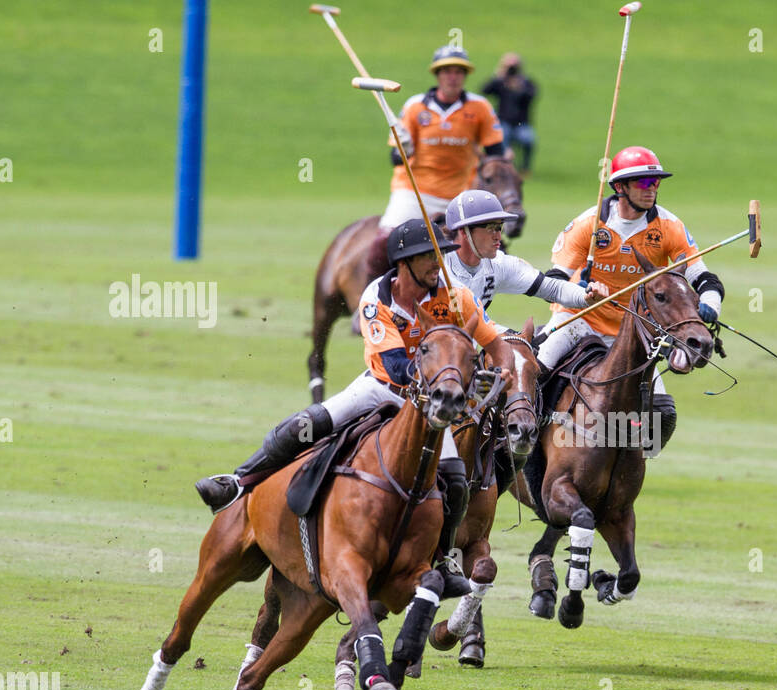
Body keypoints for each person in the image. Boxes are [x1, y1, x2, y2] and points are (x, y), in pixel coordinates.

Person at [194, 219, 505, 564]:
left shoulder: (456, 297)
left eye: (440, 254)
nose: (438, 263)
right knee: (307, 424)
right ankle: (237, 483)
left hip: (430, 404)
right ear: (404, 263)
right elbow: (395, 366)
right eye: (429, 256)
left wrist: (498, 368)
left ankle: (444, 558)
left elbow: (493, 342)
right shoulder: (376, 298)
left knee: (457, 481)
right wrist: (447, 374)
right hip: (381, 388)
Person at [535, 146, 725, 456]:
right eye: (643, 183)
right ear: (620, 187)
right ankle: (522, 451)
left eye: (656, 183)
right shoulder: (590, 224)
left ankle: (621, 468)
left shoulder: (669, 227)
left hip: (633, 332)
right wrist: (580, 292)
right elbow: (552, 280)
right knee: (535, 373)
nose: (652, 190)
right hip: (578, 320)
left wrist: (710, 305)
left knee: (663, 415)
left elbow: (704, 278)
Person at [378, 45, 505, 231]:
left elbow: (496, 154)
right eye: (447, 71)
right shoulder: (415, 107)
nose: (453, 77)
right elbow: (395, 159)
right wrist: (403, 148)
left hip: (462, 196)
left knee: (488, 243)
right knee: (385, 239)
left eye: (459, 72)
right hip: (414, 193)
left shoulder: (480, 107)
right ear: (437, 74)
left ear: (465, 75)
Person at [443, 188, 608, 318]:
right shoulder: (436, 266)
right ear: (464, 231)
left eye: (499, 227)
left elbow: (553, 289)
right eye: (491, 228)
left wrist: (586, 296)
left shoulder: (500, 265)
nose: (499, 236)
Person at [482, 53, 538, 174]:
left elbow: (532, 96)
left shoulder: (527, 83)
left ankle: (525, 168)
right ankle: (505, 168)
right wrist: (497, 76)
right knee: (502, 139)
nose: (512, 70)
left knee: (528, 140)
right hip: (503, 121)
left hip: (521, 123)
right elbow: (484, 90)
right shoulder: (500, 82)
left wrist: (519, 88)